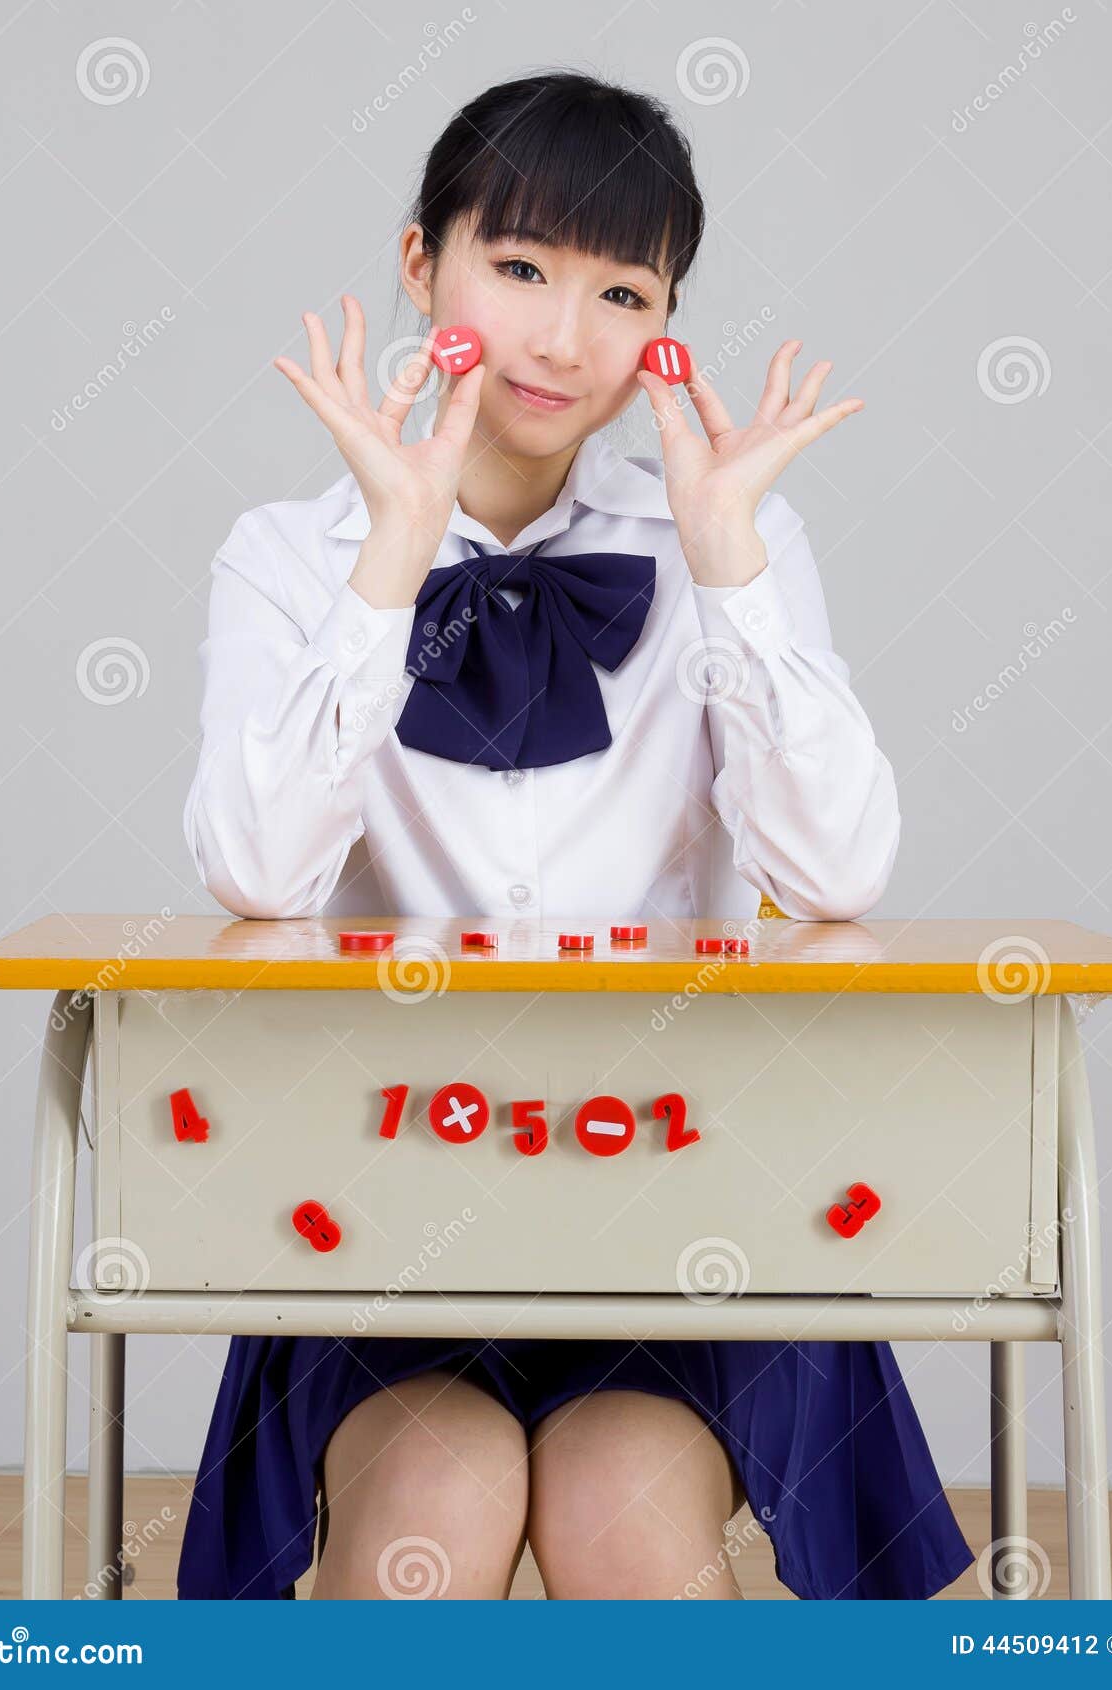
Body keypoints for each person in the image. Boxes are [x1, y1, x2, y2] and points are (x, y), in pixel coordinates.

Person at [176, 69, 973, 1601]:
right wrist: (392, 560)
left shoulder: (721, 537)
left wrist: (730, 563)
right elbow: (258, 872)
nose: (562, 336)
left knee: (618, 1507)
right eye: (520, 267)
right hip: (390, 1182)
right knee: (433, 1506)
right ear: (423, 264)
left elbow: (837, 872)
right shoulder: (287, 559)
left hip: (678, 1184)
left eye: (622, 291)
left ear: (667, 319)